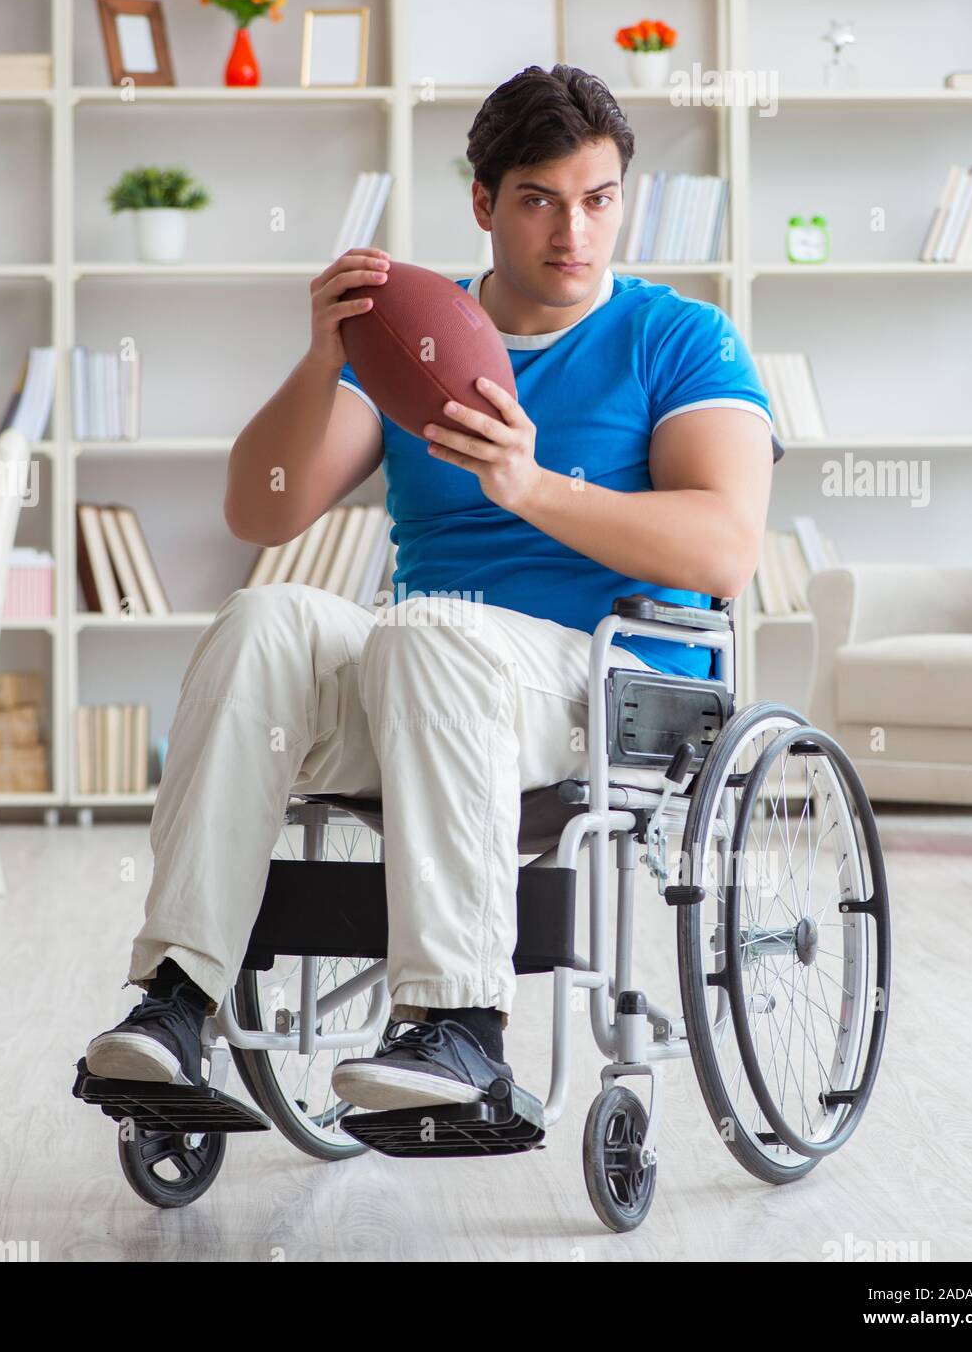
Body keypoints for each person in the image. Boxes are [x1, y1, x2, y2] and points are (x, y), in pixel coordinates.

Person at [84, 62, 775, 1112]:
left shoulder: (677, 339)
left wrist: (530, 485)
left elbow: (725, 547)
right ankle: (178, 998)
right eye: (540, 201)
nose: (573, 234)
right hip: (425, 679)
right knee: (267, 615)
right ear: (483, 203)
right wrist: (322, 361)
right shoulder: (420, 340)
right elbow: (261, 510)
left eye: (598, 201)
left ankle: (460, 1025)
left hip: (604, 681)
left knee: (427, 634)